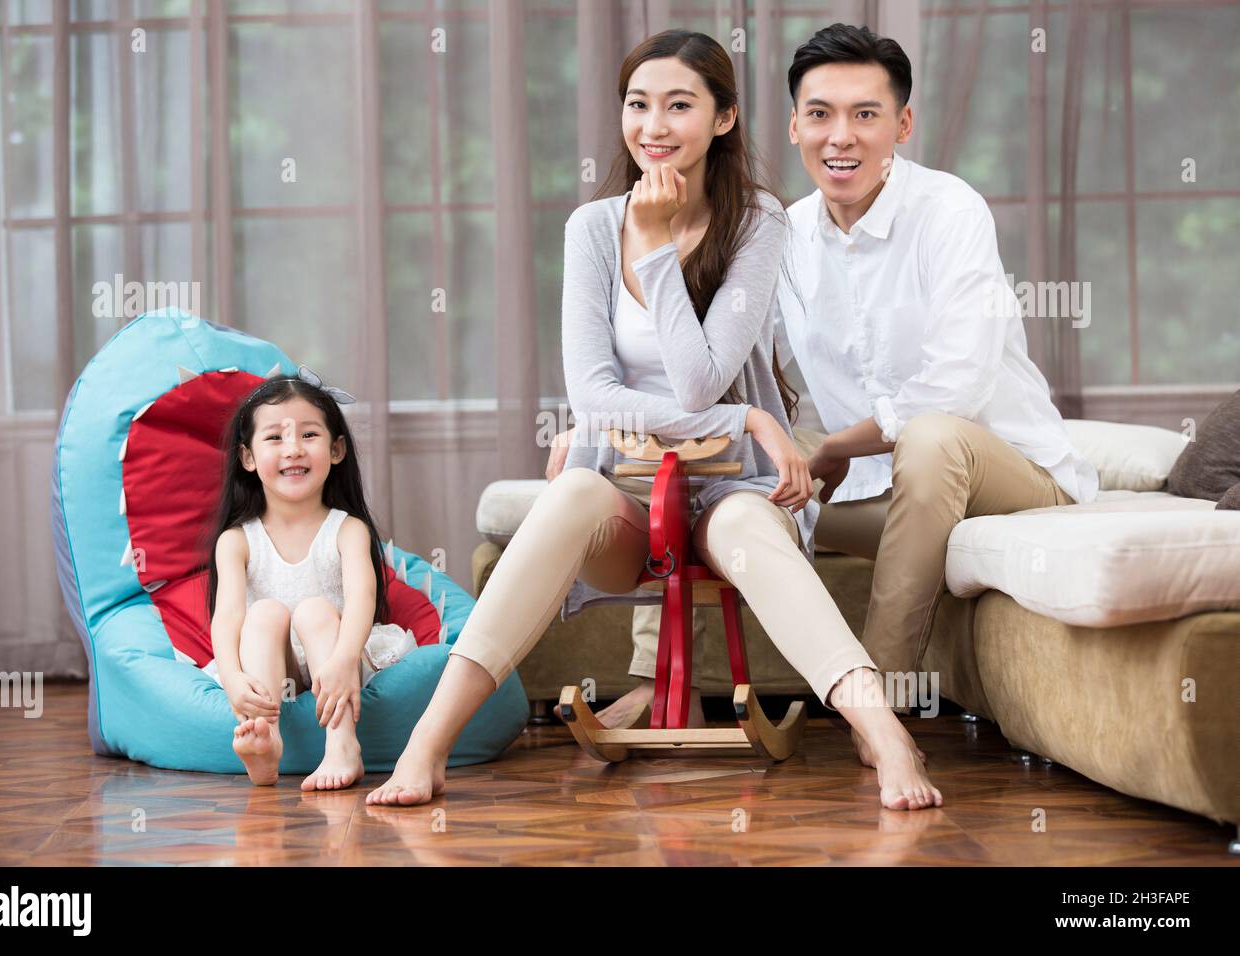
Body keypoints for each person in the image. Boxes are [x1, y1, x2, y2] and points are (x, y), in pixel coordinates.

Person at [367, 29, 942, 812]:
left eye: (680, 105)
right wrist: (746, 413)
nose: (655, 127)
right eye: (639, 105)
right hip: (623, 490)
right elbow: (596, 395)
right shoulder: (592, 228)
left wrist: (657, 252)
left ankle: (883, 734)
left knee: (744, 530)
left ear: (725, 119)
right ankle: (427, 745)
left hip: (731, 485)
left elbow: (701, 374)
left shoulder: (758, 224)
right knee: (567, 496)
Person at [619, 22, 1099, 766]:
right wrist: (604, 420)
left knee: (933, 437)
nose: (840, 137)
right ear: (793, 125)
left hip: (1009, 477)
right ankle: (657, 674)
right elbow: (719, 369)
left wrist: (839, 444)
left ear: (902, 124)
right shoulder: (782, 232)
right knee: (723, 462)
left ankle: (882, 707)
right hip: (885, 498)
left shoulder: (949, 211)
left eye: (865, 115)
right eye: (820, 114)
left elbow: (957, 386)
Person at [201, 372, 417, 790]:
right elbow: (227, 617)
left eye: (309, 434)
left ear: (337, 450)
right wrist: (231, 677)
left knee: (316, 610)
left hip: (337, 656)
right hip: (273, 664)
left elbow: (360, 602)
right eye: (275, 438)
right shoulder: (236, 541)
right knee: (262, 613)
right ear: (247, 457)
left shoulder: (347, 529)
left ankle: (342, 748)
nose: (294, 449)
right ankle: (266, 740)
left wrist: (342, 660)